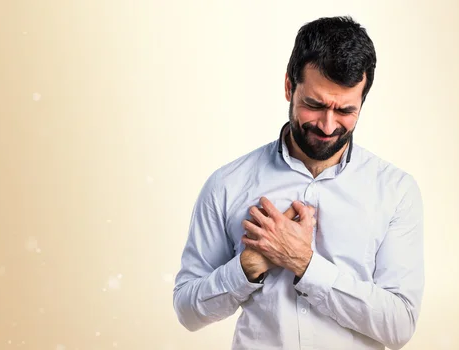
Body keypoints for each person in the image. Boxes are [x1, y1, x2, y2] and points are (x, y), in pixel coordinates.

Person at [173, 15, 425, 350]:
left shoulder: (396, 192)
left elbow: (399, 325)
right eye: (314, 105)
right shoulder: (226, 185)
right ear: (290, 86)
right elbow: (187, 311)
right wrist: (246, 268)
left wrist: (302, 262)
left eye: (346, 110)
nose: (327, 124)